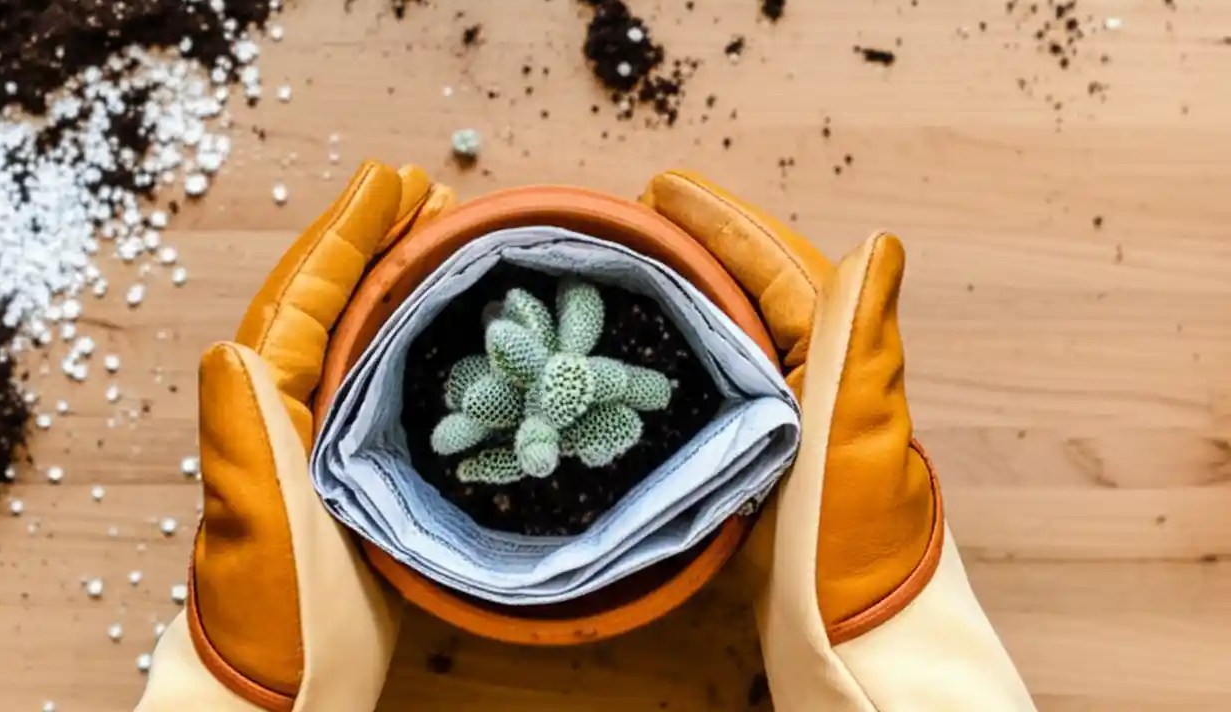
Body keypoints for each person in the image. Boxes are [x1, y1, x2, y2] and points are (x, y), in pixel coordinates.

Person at [136, 162, 1035, 711]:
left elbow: (592, 397)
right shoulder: (525, 392)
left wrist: (242, 694)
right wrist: (890, 650)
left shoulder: (581, 389)